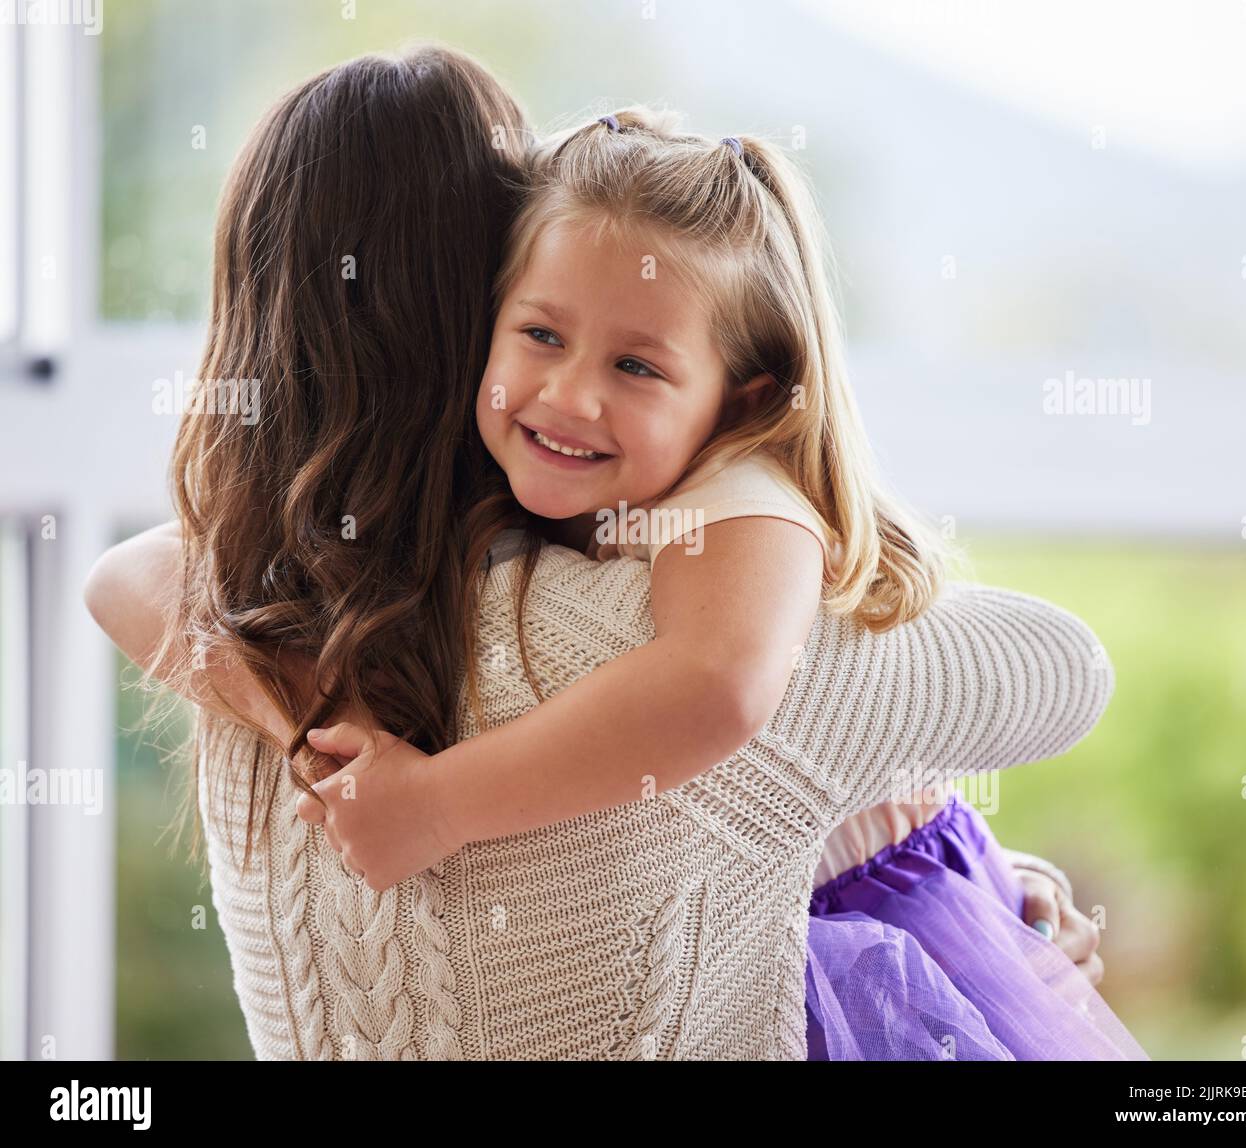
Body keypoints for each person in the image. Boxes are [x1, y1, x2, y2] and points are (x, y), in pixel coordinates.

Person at [84, 49, 1138, 1059]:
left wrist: (964, 882)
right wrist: (320, 728)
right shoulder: (547, 544)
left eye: (635, 361)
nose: (571, 392)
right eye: (539, 333)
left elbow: (750, 693)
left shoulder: (725, 513)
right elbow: (122, 575)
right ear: (484, 297)